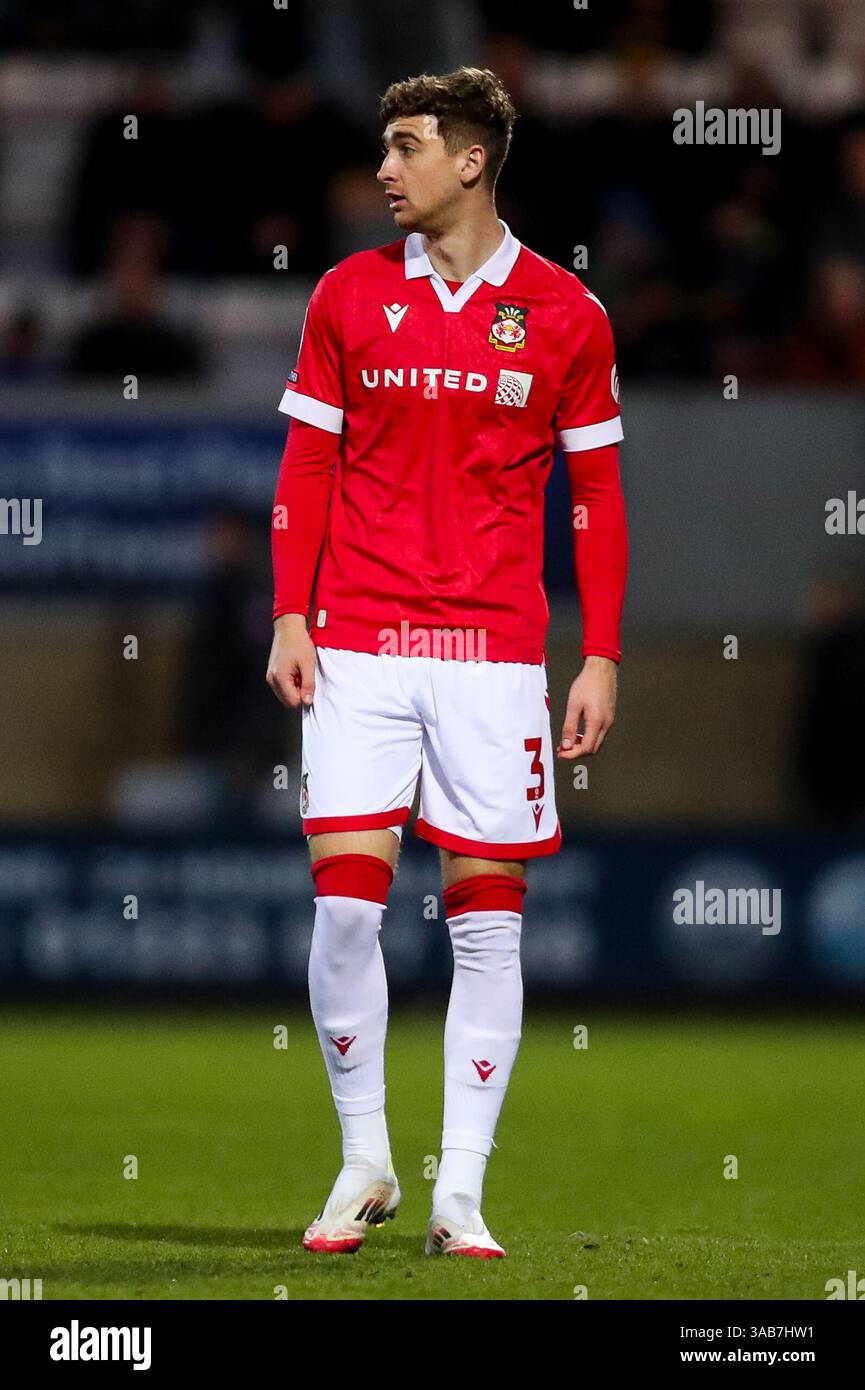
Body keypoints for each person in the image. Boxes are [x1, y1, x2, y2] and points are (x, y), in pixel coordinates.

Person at [266, 67, 628, 1259]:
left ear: (471, 160)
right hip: (361, 640)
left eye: (405, 146)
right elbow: (307, 471)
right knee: (341, 911)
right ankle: (365, 1154)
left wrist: (601, 653)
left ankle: (458, 1190)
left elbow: (597, 498)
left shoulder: (566, 313)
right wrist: (289, 615)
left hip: (492, 658)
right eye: (382, 147)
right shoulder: (346, 297)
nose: (383, 169)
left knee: (486, 928)